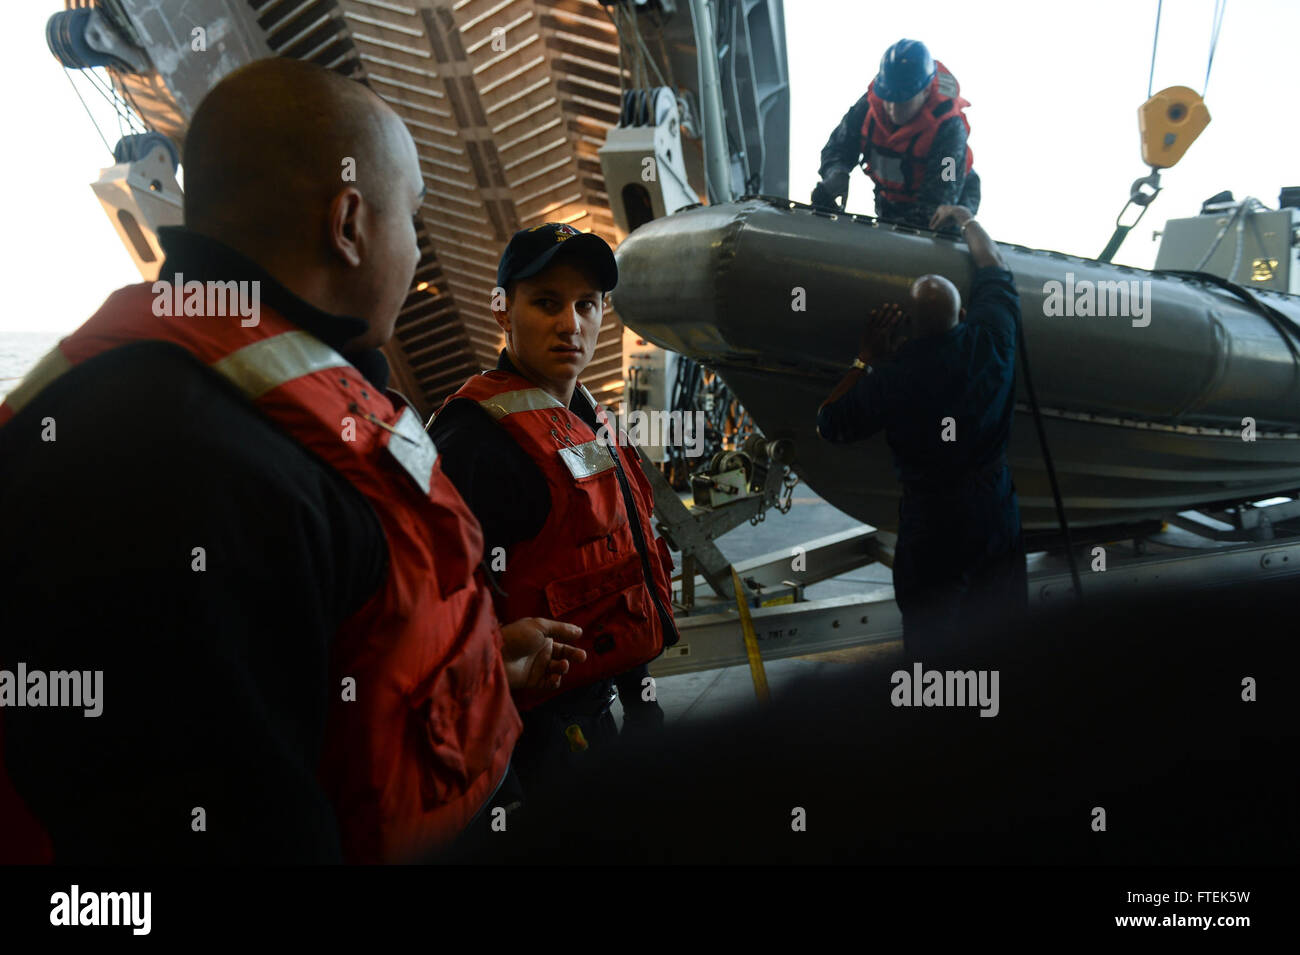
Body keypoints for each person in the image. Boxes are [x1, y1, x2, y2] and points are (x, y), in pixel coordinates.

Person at [0, 58, 585, 864]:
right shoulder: (168, 460)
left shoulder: (262, 386)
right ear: (348, 224)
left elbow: (322, 679)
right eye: (412, 217)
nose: (418, 253)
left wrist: (472, 668)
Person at [429, 223, 679, 798]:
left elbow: (616, 574)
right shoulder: (473, 441)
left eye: (586, 305)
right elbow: (431, 614)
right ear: (503, 311)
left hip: (597, 718)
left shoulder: (588, 418)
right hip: (527, 741)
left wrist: (644, 710)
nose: (571, 325)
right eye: (546, 303)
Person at [815, 205, 1026, 658]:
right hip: (994, 510)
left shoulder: (892, 378)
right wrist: (966, 219)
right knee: (1004, 629)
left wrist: (865, 358)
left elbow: (829, 423)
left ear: (908, 328)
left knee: (932, 639)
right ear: (964, 312)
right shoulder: (993, 340)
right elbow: (995, 267)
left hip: (933, 522)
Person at [812, 39, 980, 232]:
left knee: (940, 227)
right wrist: (836, 172)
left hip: (946, 200)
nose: (892, 108)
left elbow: (944, 190)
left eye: (902, 101)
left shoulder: (948, 129)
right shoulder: (869, 107)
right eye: (888, 98)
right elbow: (837, 148)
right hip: (891, 200)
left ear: (925, 92)